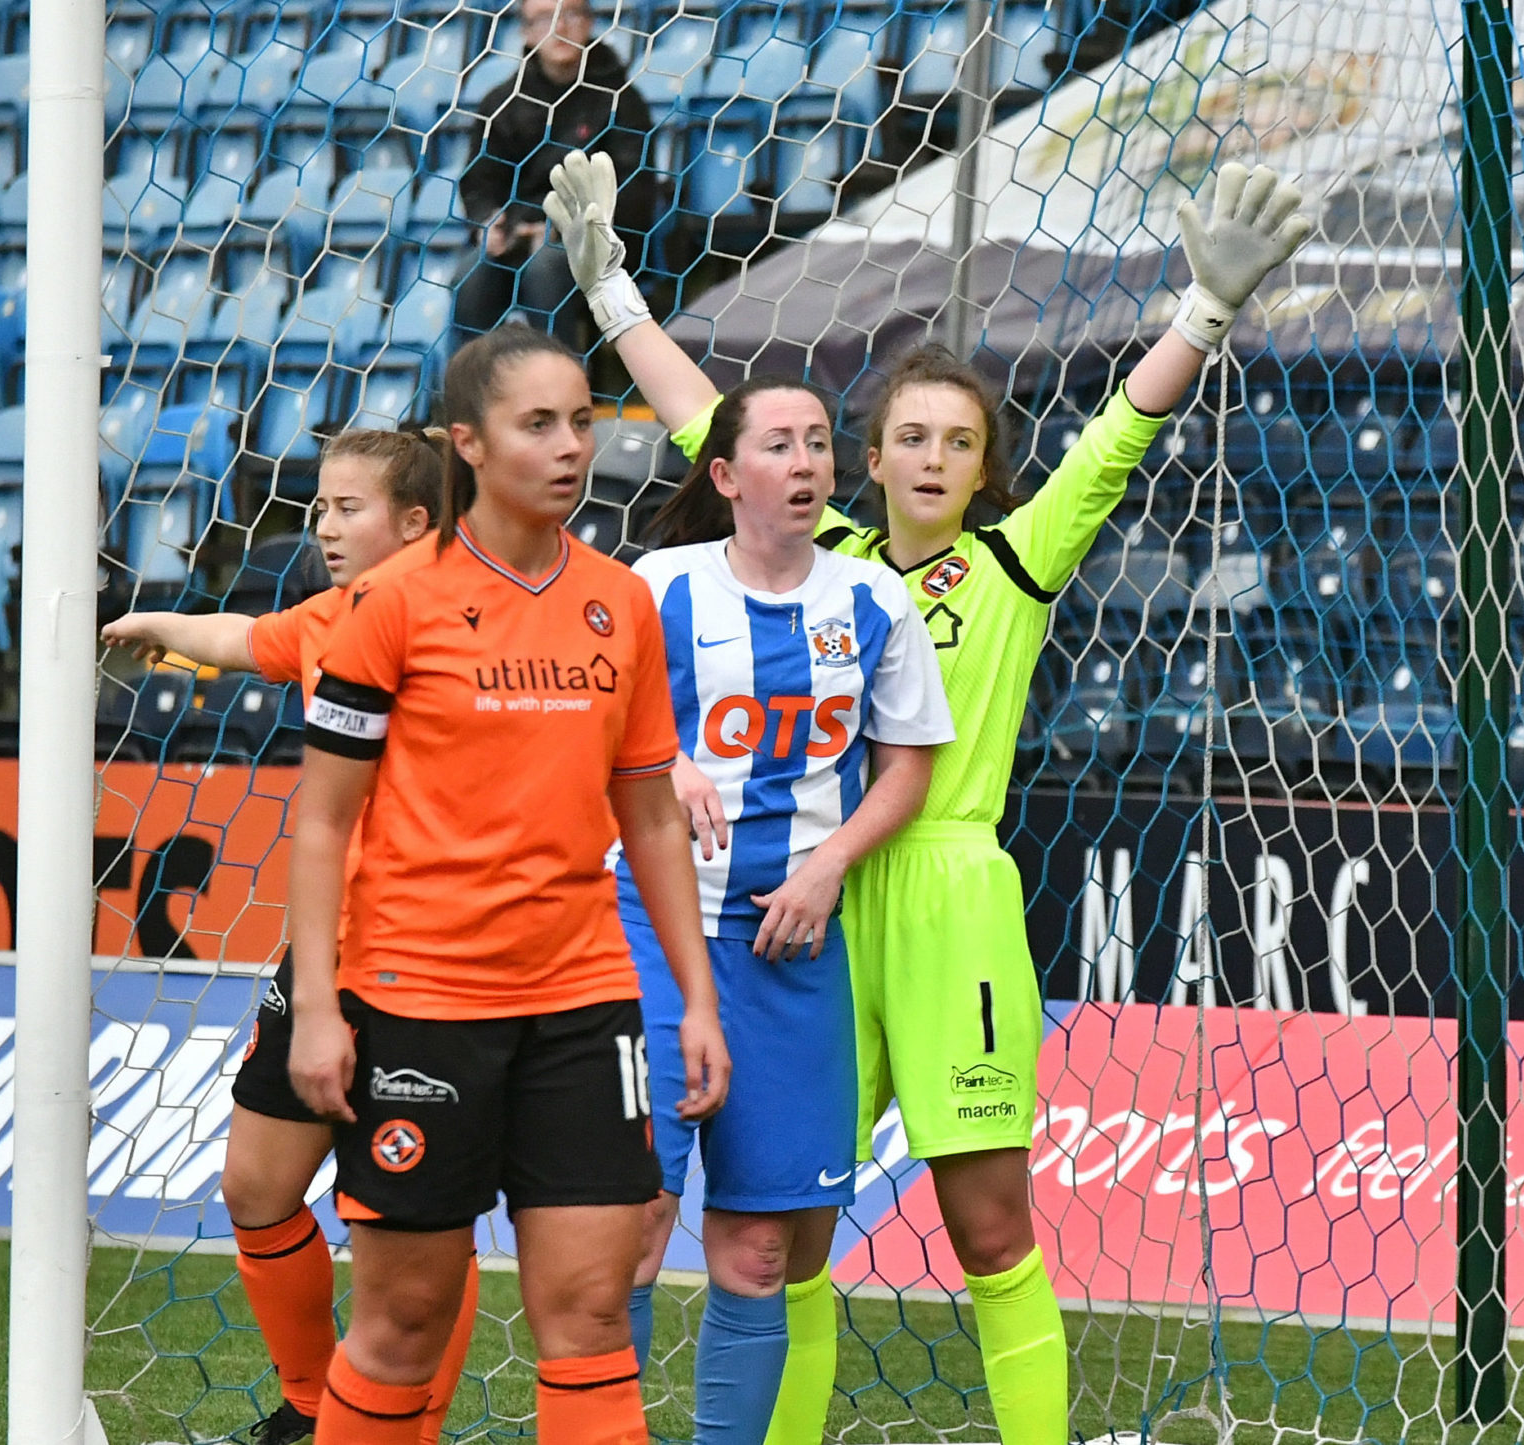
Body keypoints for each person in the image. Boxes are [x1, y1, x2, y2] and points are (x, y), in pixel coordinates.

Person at [546, 150, 1312, 1445]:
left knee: (989, 1224)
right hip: (818, 904)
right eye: (912, 436)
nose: (935, 457)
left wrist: (1207, 309)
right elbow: (705, 423)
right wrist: (614, 292)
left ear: (983, 464)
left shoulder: (1017, 562)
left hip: (952, 897)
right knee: (789, 1230)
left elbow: (1119, 434)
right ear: (871, 456)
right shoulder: (830, 563)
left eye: (961, 441)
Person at [285, 323, 731, 1445]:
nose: (571, 445)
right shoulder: (391, 605)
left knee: (591, 1316)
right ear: (468, 445)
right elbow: (323, 818)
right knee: (403, 1321)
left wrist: (697, 996)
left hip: (583, 1005)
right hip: (419, 1003)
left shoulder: (621, 601)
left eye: (581, 420)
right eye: (538, 423)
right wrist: (321, 1008)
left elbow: (650, 814)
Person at [101, 427, 465, 1445]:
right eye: (318, 509)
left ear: (416, 522)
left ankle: (411, 1428)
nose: (325, 529)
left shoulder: (466, 627)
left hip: (437, 958)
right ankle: (310, 1405)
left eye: (349, 508)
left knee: (412, 1223)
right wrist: (158, 622)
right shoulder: (330, 617)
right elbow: (243, 637)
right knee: (255, 1186)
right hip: (326, 951)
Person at [618, 375, 954, 1445]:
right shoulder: (658, 586)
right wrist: (663, 762)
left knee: (760, 1252)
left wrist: (829, 866)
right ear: (725, 475)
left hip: (792, 947)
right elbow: (589, 724)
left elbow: (907, 767)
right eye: (778, 443)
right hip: (650, 934)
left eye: (817, 442)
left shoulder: (874, 600)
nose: (805, 462)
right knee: (630, 1228)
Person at [455, 0, 656, 347]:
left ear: (590, 22)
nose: (559, 28)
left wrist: (567, 228)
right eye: (543, 19)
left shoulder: (621, 101)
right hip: (519, 233)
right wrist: (488, 222)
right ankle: (475, 377)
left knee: (546, 268)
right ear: (525, 32)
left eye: (570, 15)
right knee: (472, 275)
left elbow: (634, 187)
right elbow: (480, 181)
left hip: (596, 240)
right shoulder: (502, 102)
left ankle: (565, 373)